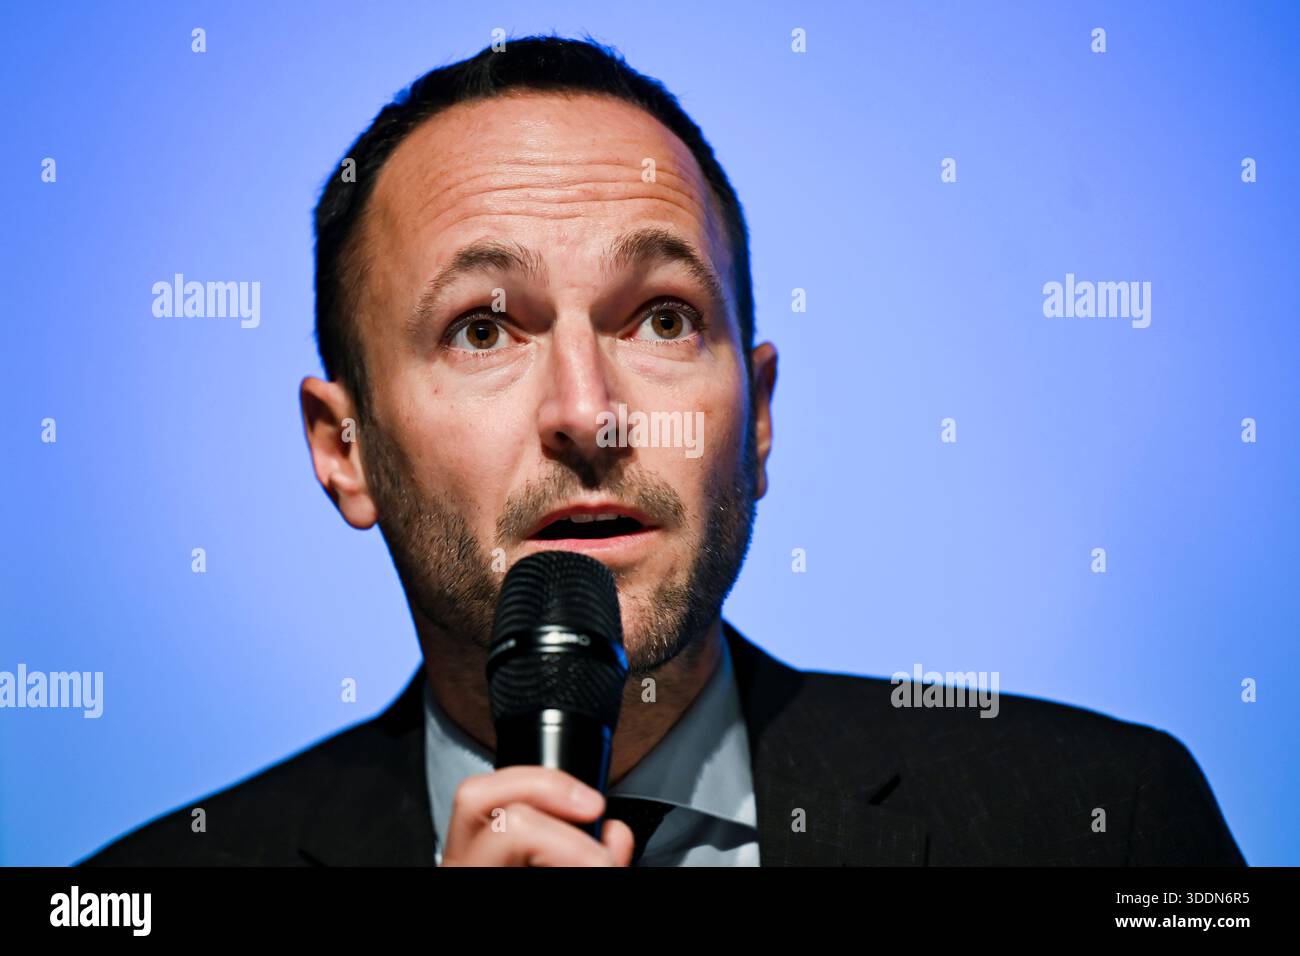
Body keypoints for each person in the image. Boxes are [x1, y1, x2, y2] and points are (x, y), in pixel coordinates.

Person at [80, 35, 1244, 867]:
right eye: (484, 328)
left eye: (662, 318)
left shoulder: (1099, 821)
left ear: (762, 410)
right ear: (346, 449)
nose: (589, 413)